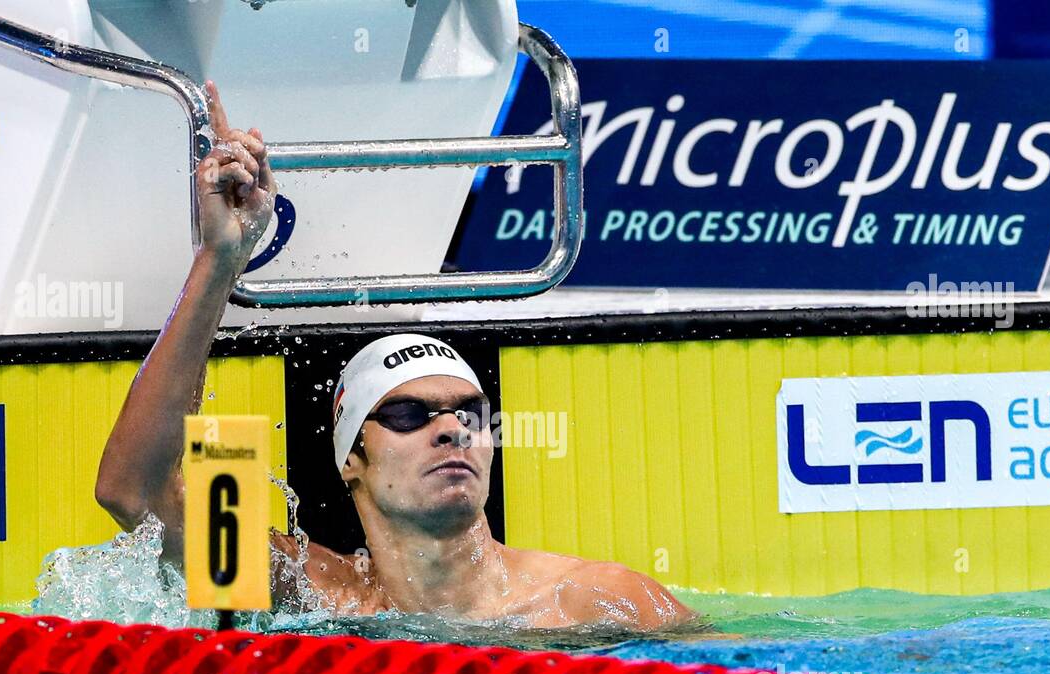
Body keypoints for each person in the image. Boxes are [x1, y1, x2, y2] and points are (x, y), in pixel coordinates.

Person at [96, 83, 696, 632]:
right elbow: (133, 492)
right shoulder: (311, 596)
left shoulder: (599, 602)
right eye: (409, 414)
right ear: (351, 457)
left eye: (469, 414)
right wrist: (219, 262)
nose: (450, 432)